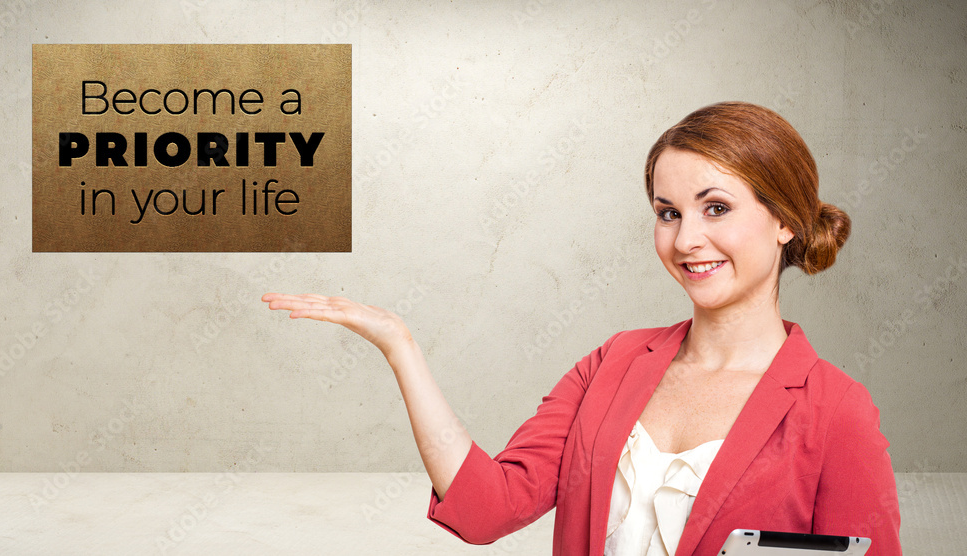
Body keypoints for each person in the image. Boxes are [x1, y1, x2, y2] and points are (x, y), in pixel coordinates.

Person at [261, 101, 901, 555]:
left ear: (784, 219)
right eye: (667, 212)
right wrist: (401, 347)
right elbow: (488, 510)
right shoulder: (612, 364)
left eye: (716, 208)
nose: (687, 239)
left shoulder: (835, 410)